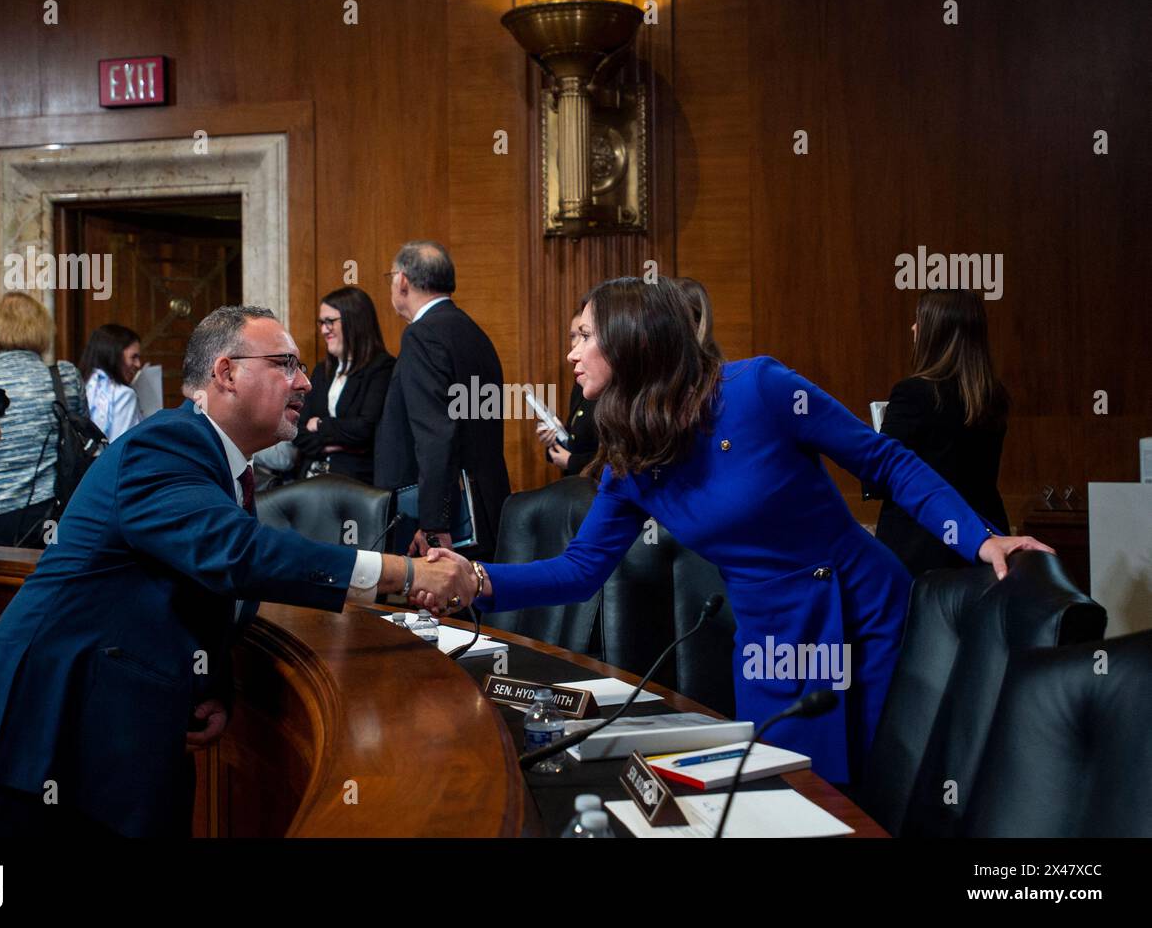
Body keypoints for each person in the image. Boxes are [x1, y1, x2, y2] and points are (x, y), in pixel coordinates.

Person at [419, 276, 1051, 784]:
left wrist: (979, 538)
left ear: (634, 340)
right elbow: (581, 569)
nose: (571, 353)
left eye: (584, 335)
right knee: (788, 800)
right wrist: (476, 579)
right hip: (769, 646)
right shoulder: (632, 458)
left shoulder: (761, 389)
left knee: (874, 795)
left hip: (862, 617)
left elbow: (884, 459)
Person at [0, 305, 477, 837]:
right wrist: (405, 574)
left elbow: (201, 583)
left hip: (112, 748)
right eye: (286, 364)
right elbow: (236, 554)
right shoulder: (166, 443)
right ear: (226, 373)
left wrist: (208, 684)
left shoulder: (219, 463)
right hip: (40, 748)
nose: (305, 382)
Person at [374, 241, 511, 559]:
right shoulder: (474, 333)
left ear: (403, 280)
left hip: (444, 521)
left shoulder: (421, 335)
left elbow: (435, 433)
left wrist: (434, 524)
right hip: (483, 506)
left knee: (437, 609)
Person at [870, 290, 1011, 578]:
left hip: (922, 547)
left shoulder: (913, 394)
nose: (913, 328)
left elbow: (882, 474)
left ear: (936, 332)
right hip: (982, 540)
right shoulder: (994, 397)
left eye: (919, 320)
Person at [0, 292, 86, 548]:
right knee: (49, 579)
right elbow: (82, 432)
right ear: (43, 329)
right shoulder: (64, 376)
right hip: (50, 513)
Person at [291, 287, 394, 483]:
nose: (323, 329)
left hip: (355, 484)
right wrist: (338, 443)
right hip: (309, 478)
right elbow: (298, 429)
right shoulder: (322, 371)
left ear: (354, 320)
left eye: (330, 321)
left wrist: (320, 424)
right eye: (322, 322)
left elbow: (365, 430)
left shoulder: (382, 368)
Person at [536, 309, 599, 477]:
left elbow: (616, 463)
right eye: (573, 336)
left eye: (584, 336)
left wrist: (571, 461)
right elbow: (577, 437)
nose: (573, 348)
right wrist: (556, 437)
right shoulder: (580, 383)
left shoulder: (614, 394)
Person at [79, 323, 144, 443]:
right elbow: (121, 448)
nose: (138, 364)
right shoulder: (124, 395)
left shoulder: (79, 385)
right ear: (114, 355)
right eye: (133, 357)